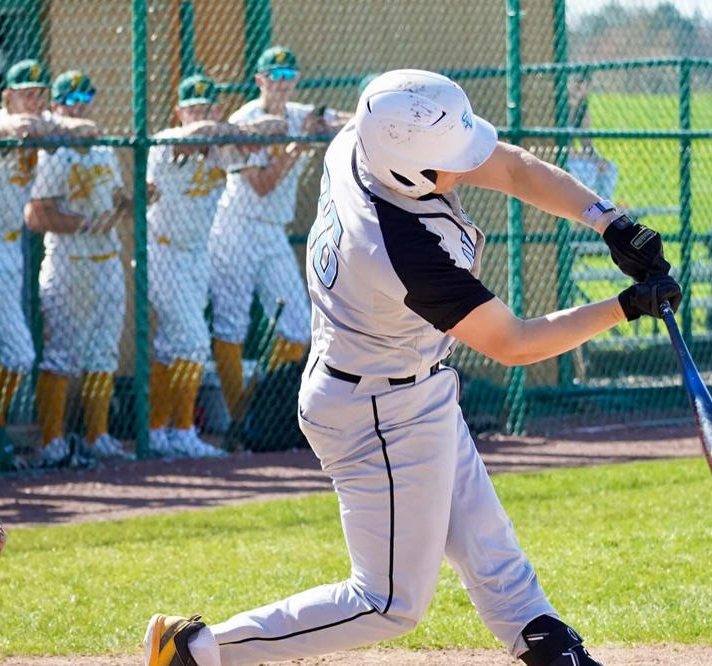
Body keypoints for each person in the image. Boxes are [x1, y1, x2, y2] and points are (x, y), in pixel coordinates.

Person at [144, 70, 680, 666]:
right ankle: (195, 650)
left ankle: (548, 646)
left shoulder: (363, 141)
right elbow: (515, 343)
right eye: (451, 161)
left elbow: (509, 165)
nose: (468, 167)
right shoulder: (396, 248)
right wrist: (625, 307)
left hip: (401, 380)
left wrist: (609, 220)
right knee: (388, 602)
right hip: (375, 407)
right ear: (410, 171)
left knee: (487, 542)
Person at [208, 45, 352, 436]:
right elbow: (261, 185)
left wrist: (353, 120)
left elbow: (340, 120)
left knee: (297, 327)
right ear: (260, 80)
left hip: (271, 229)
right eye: (275, 76)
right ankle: (238, 415)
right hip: (237, 226)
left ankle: (261, 402)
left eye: (289, 76)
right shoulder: (246, 121)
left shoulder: (297, 114)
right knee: (231, 323)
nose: (282, 84)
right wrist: (298, 146)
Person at [0, 59, 97, 471]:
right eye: (25, 93)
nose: (33, 100)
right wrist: (22, 126)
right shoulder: (0, 117)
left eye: (39, 92)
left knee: (14, 353)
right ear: (7, 95)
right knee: (19, 351)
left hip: (9, 248)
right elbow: (11, 129)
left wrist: (48, 126)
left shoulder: (46, 121)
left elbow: (87, 130)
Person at [146, 74, 259, 458]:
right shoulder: (164, 143)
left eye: (205, 108)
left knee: (169, 348)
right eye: (191, 108)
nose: (198, 115)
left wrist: (224, 131)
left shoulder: (220, 148)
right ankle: (182, 431)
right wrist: (212, 128)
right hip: (164, 252)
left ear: (216, 110)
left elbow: (253, 143)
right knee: (194, 342)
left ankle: (157, 430)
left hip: (196, 253)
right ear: (178, 111)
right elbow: (185, 142)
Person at [25, 69, 132, 467]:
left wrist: (135, 200)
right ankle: (51, 441)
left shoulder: (102, 150)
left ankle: (97, 436)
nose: (79, 104)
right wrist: (85, 224)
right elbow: (36, 215)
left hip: (106, 261)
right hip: (70, 262)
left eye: (84, 97)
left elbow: (117, 197)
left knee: (103, 351)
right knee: (61, 353)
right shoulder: (55, 152)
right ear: (55, 107)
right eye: (69, 99)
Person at [565, 73, 618, 201]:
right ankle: (583, 213)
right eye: (575, 83)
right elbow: (562, 147)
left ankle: (605, 213)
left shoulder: (583, 110)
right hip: (561, 158)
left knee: (610, 168)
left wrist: (597, 160)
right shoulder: (558, 107)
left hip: (575, 157)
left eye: (582, 84)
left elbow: (587, 145)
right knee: (587, 169)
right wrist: (580, 156)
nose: (577, 88)